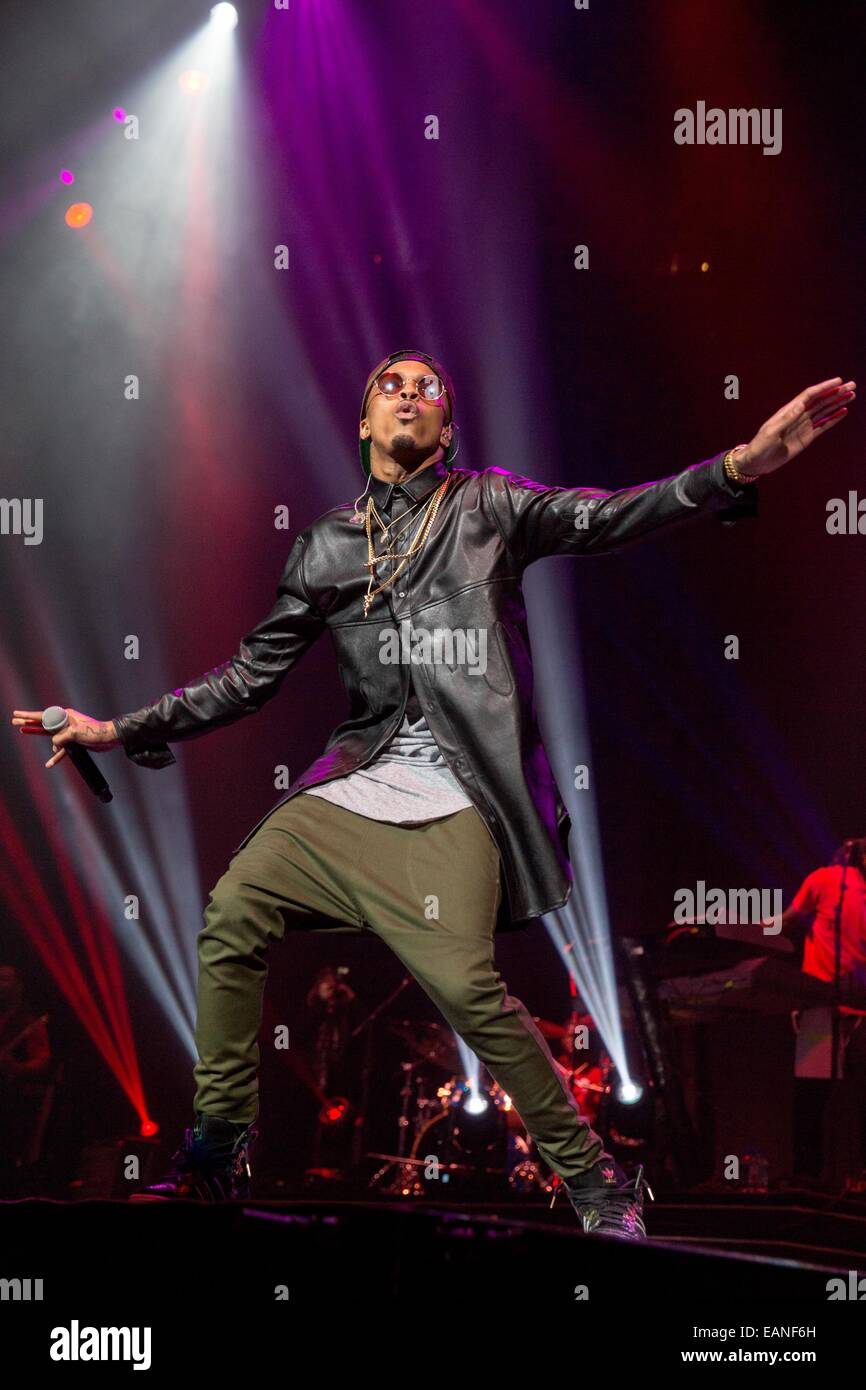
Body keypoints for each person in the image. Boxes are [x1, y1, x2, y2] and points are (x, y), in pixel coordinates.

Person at [11, 355, 855, 1239]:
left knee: (464, 986)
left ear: (445, 431)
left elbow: (604, 517)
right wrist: (118, 727)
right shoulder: (328, 546)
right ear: (367, 425)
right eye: (390, 385)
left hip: (461, 792)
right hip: (354, 783)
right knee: (232, 912)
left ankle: (598, 1181)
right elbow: (249, 676)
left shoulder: (488, 504)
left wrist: (736, 467)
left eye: (429, 389)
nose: (410, 393)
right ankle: (217, 1147)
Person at [774, 837, 866, 1187]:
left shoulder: (826, 879)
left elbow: (783, 922)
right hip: (821, 999)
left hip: (840, 1003)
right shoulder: (827, 880)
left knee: (815, 1096)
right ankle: (812, 1175)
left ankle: (810, 1174)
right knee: (815, 1094)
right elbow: (787, 921)